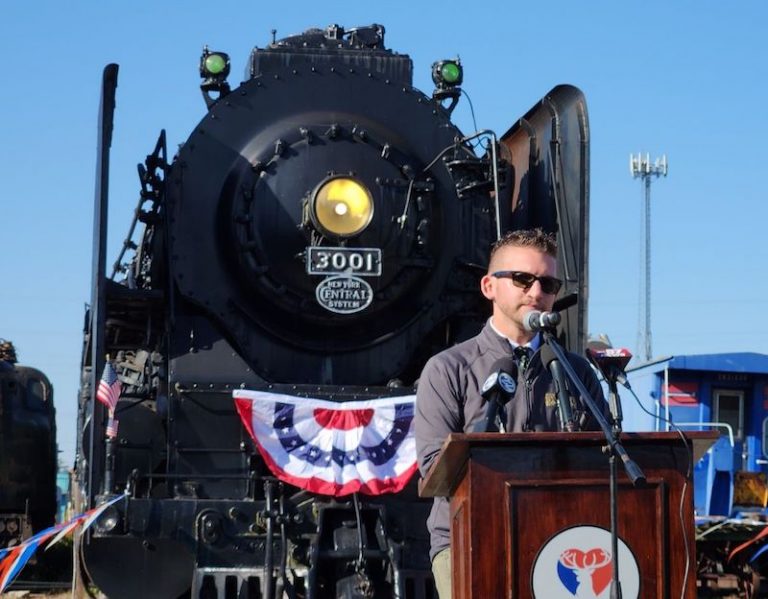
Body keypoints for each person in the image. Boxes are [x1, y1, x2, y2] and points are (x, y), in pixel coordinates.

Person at [414, 228, 608, 599]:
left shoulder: (577, 373)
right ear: (489, 286)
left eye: (548, 284)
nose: (536, 293)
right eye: (522, 279)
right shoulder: (448, 369)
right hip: (468, 538)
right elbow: (433, 468)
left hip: (559, 539)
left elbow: (602, 461)